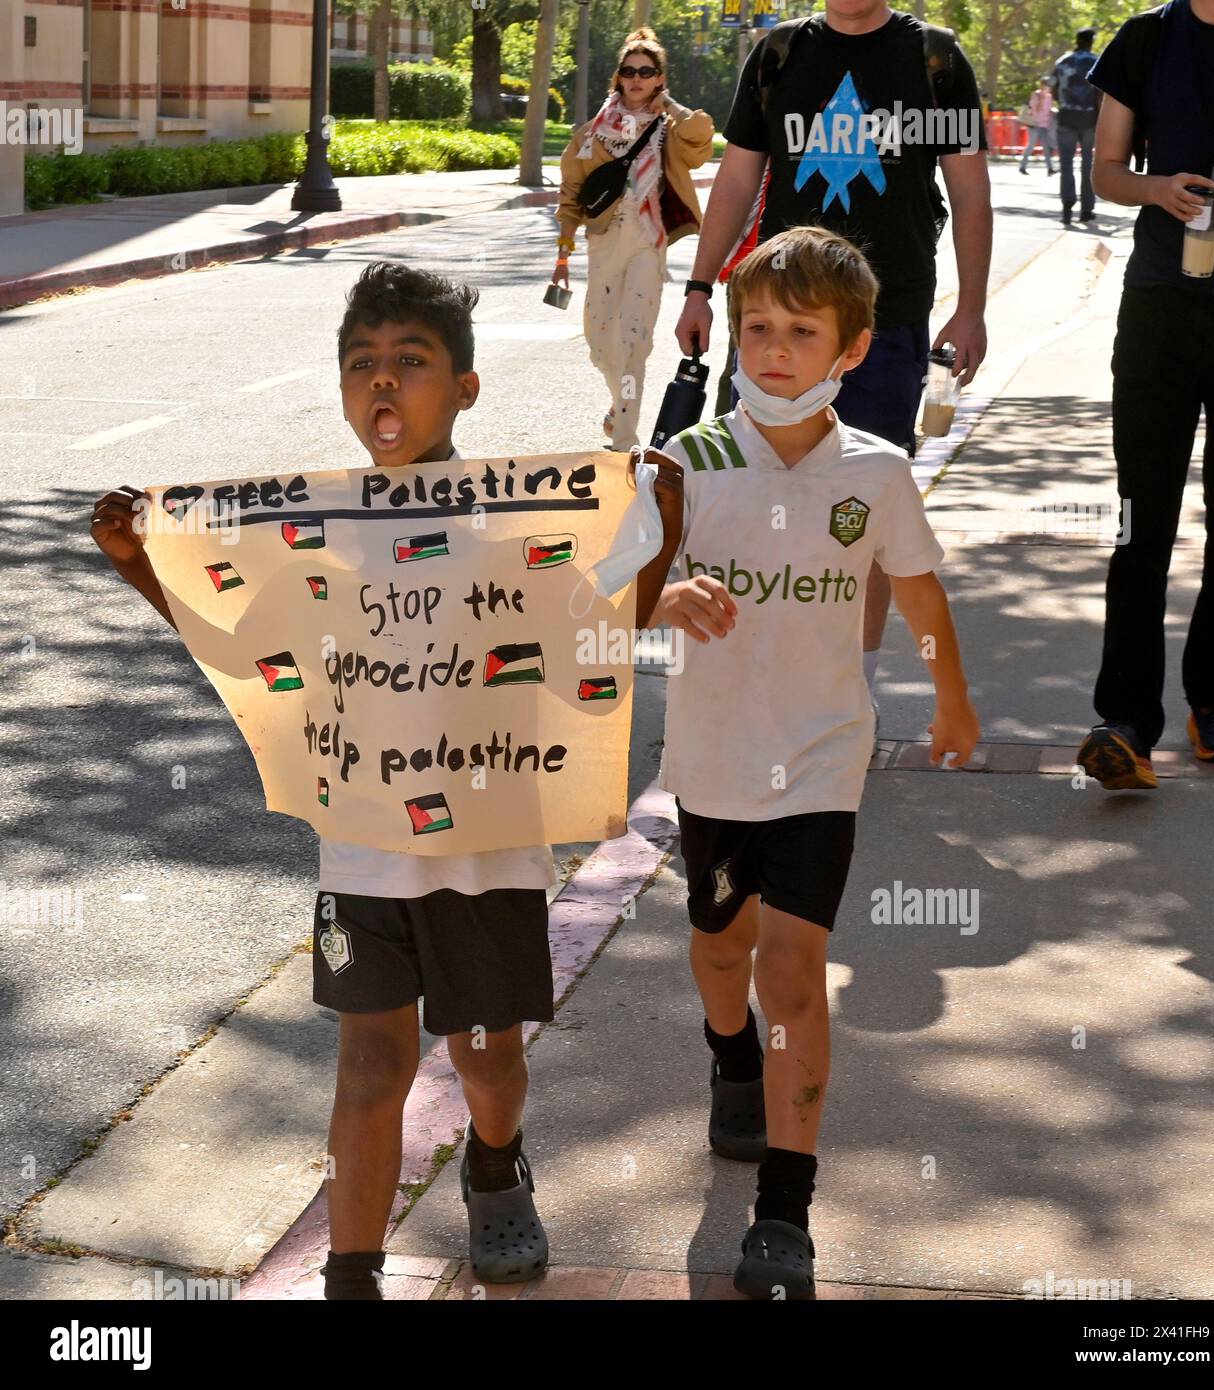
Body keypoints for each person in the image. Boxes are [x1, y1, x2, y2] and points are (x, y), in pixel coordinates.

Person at [89, 261, 684, 1297]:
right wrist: (142, 563)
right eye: (362, 364)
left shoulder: (514, 523)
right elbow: (242, 651)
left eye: (411, 362)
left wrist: (665, 534)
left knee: (487, 1054)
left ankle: (496, 1166)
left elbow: (595, 647)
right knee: (371, 1060)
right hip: (362, 845)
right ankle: (352, 1274)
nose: (383, 384)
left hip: (492, 845)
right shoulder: (317, 530)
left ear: (465, 387)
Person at [652, 225, 979, 1298]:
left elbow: (920, 590)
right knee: (717, 951)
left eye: (801, 332)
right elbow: (599, 591)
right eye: (757, 329)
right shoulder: (687, 464)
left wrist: (951, 693)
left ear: (851, 348)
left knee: (792, 966)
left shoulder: (877, 473)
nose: (774, 350)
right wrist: (661, 596)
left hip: (824, 757)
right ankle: (730, 1054)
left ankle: (785, 1212)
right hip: (711, 760)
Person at [674, 0, 991, 724]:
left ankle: (855, 688)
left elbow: (970, 191)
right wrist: (699, 286)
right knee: (746, 493)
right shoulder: (778, 54)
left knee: (862, 507)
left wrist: (970, 307)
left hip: (887, 322)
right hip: (775, 320)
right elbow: (735, 179)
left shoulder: (934, 60)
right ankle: (742, 672)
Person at [1077, 0, 1214, 789]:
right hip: (1159, 306)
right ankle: (1126, 720)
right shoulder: (1146, 37)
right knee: (1140, 519)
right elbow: (1106, 171)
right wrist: (1159, 191)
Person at [555, 26, 713, 451]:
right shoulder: (592, 133)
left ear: (659, 78)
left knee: (634, 343)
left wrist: (671, 106)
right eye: (630, 70)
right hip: (605, 239)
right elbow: (570, 193)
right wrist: (564, 251)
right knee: (600, 343)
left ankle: (624, 439)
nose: (638, 78)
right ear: (619, 76)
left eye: (647, 71)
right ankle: (617, 401)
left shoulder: (670, 129)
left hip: (649, 239)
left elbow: (702, 138)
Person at [1052, 27, 1101, 225]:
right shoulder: (1097, 61)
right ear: (1091, 41)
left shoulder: (1062, 61)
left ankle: (1067, 206)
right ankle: (1086, 210)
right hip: (1089, 118)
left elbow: (1054, 90)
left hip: (1066, 117)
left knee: (1066, 164)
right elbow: (1100, 93)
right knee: (1088, 164)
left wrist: (1064, 103)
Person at [1020, 78, 1057, 175]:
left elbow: (1048, 110)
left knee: (1046, 147)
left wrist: (1053, 112)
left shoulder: (1050, 97)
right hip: (1034, 124)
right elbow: (1034, 109)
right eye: (1046, 85)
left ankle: (1050, 169)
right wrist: (1041, 98)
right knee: (1030, 146)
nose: (1048, 87)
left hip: (1044, 125)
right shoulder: (1036, 94)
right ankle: (1022, 166)